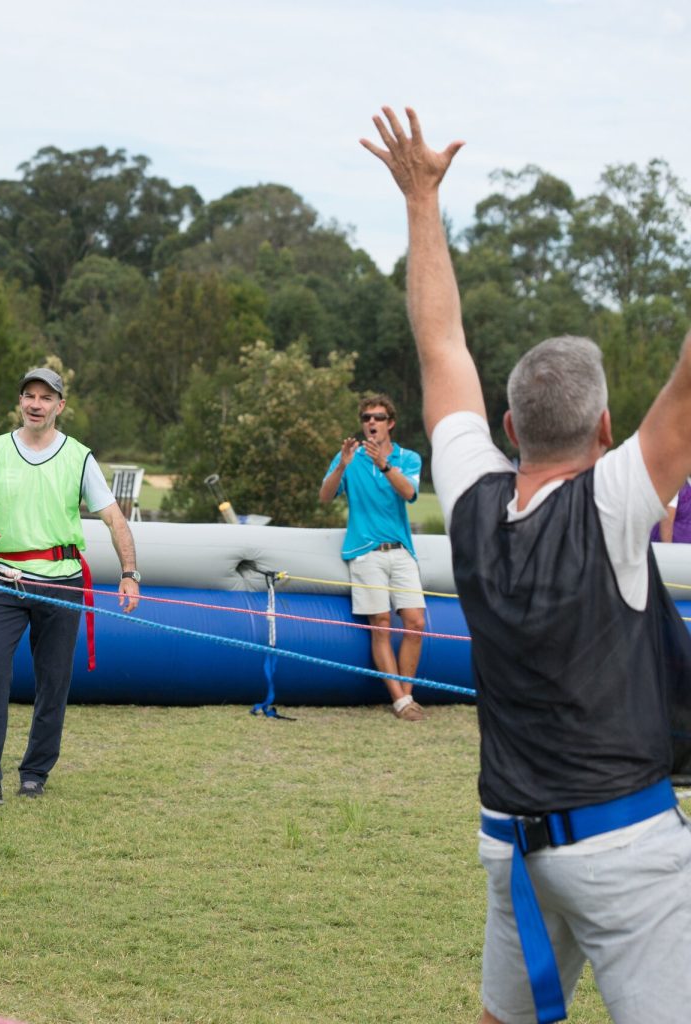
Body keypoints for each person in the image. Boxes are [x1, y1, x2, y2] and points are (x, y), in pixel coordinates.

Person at [365, 106, 691, 1024]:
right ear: (602, 431)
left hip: (516, 849)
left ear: (508, 431)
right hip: (626, 848)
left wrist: (422, 202)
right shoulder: (615, 503)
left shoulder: (472, 501)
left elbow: (442, 344)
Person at [0, 368, 140, 807]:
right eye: (28, 395)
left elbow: (114, 519)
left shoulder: (80, 457)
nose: (36, 403)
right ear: (20, 402)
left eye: (45, 397)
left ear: (60, 406)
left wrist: (129, 573)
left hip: (62, 585)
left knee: (53, 682)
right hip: (5, 583)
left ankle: (35, 772)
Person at [318, 394, 428, 721]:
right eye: (367, 417)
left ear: (390, 423)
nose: (371, 423)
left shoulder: (409, 458)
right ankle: (400, 702)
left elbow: (408, 493)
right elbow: (325, 497)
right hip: (365, 553)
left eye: (378, 417)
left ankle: (406, 696)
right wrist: (341, 464)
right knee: (380, 625)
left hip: (400, 550)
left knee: (416, 622)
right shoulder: (349, 457)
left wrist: (384, 463)